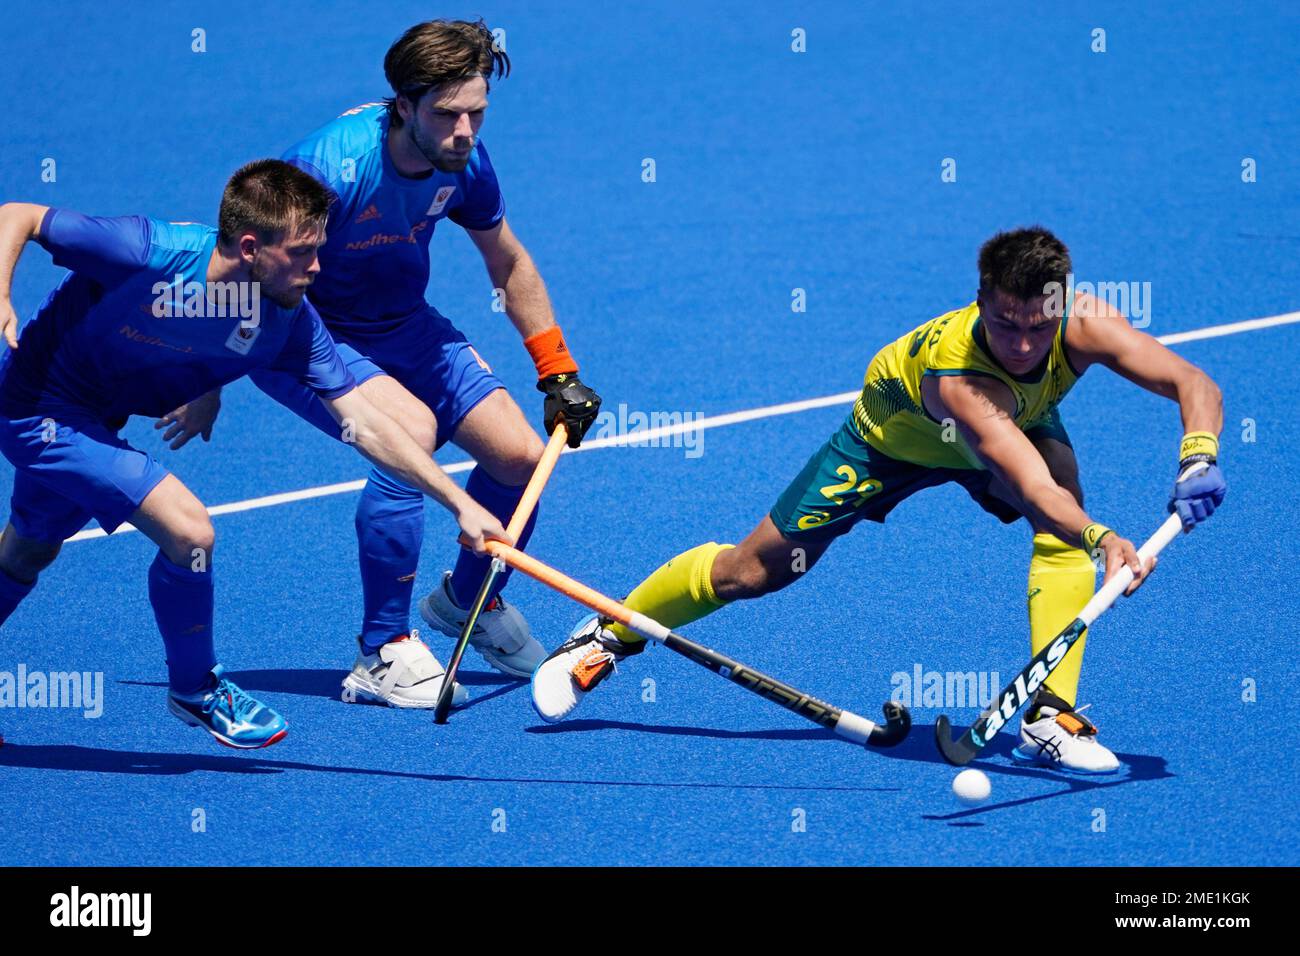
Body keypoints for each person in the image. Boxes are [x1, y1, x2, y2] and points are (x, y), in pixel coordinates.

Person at [532, 227, 1226, 774]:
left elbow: (1191, 380)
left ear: (1063, 306)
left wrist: (1199, 454)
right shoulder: (960, 377)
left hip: (1011, 426)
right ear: (980, 300)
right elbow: (1033, 490)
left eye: (1037, 329)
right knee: (750, 572)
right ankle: (607, 633)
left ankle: (1051, 713)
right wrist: (1103, 539)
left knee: (1061, 510)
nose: (1021, 344)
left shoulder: (1085, 324)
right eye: (1005, 323)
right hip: (888, 443)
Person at [0, 160, 511, 749]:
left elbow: (368, 424)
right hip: (38, 408)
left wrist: (455, 503)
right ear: (249, 247)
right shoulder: (143, 250)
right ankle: (197, 690)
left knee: (25, 555)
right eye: (302, 253)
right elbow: (19, 215)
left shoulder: (289, 320)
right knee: (189, 532)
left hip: (99, 416)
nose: (317, 268)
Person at [167, 19, 602, 704]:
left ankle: (468, 603)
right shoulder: (330, 168)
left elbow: (507, 260)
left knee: (519, 457)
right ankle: (383, 651)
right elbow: (238, 262)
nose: (465, 130)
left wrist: (559, 371)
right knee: (407, 434)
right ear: (402, 108)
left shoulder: (466, 163)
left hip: (404, 325)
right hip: (306, 334)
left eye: (477, 113)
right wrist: (206, 374)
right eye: (447, 114)